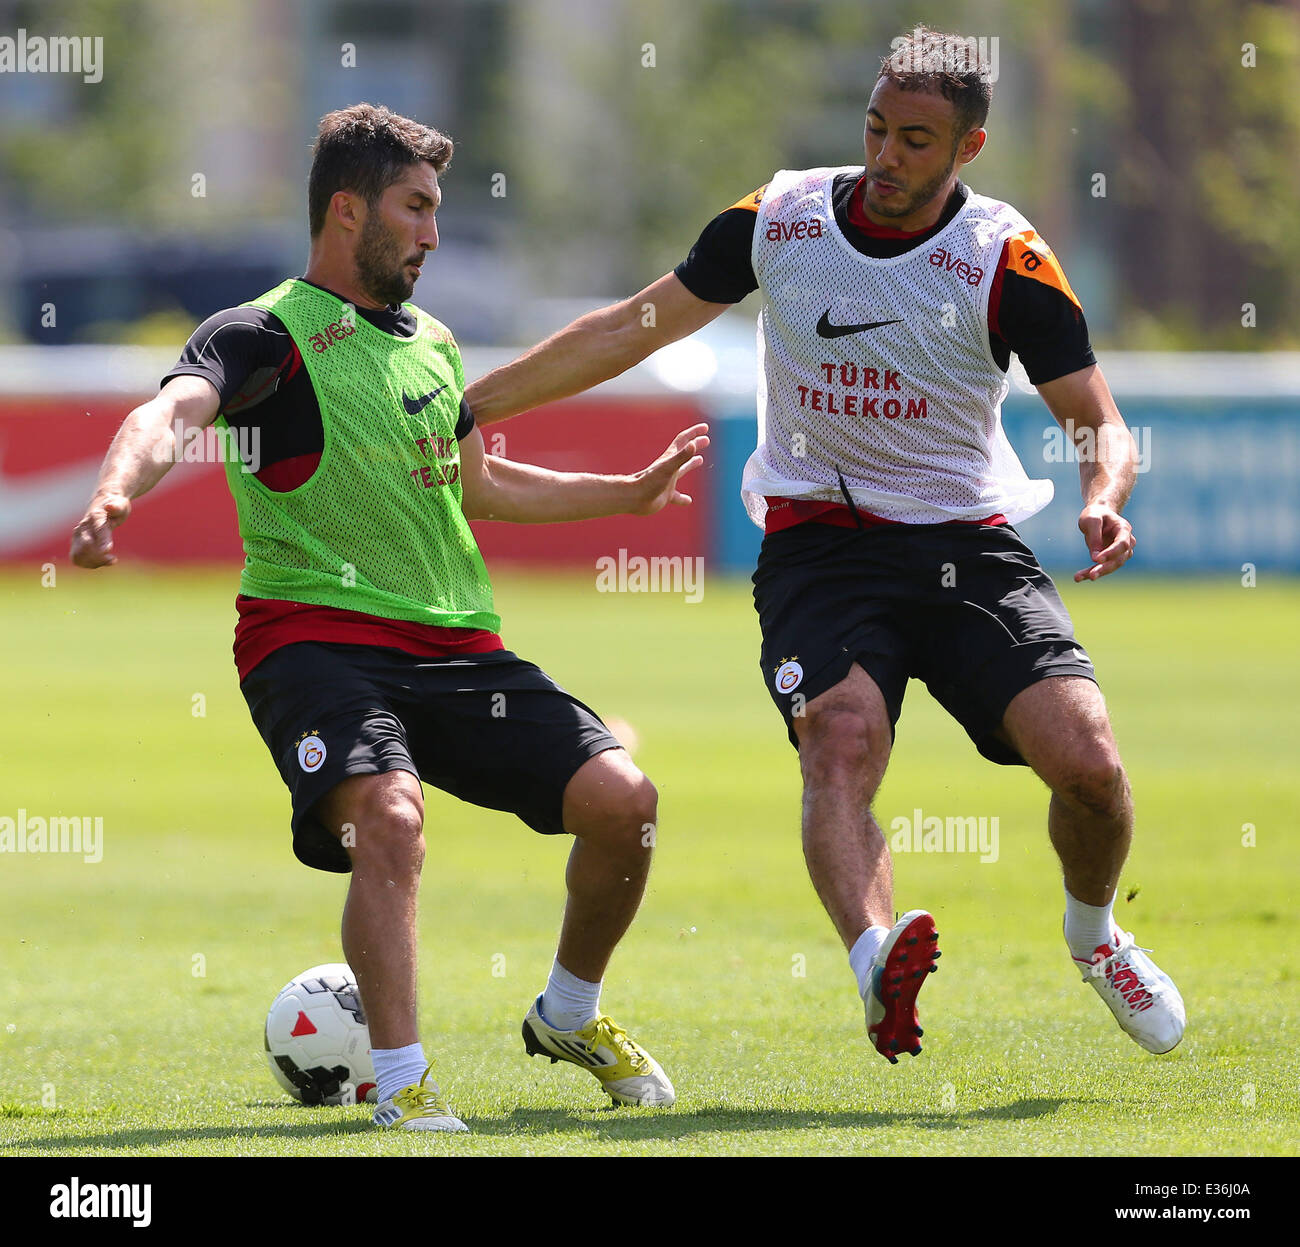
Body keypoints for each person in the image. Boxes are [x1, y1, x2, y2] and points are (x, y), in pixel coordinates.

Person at [464, 28, 1184, 1064]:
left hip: (964, 546)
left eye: (917, 141)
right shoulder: (783, 219)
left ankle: (1094, 934)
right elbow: (634, 324)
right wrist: (472, 403)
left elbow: (1095, 414)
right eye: (878, 129)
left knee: (1090, 767)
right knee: (838, 742)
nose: (888, 157)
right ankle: (875, 962)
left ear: (967, 150)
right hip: (822, 548)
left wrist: (1104, 493)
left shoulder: (1004, 258)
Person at [70, 103, 707, 1131]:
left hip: (457, 646)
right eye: (414, 207)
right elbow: (168, 412)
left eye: (436, 209)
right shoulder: (261, 334)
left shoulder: (436, 345)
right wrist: (115, 493)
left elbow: (477, 487)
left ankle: (569, 1012)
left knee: (623, 800)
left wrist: (621, 493)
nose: (432, 233)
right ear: (346, 210)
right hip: (312, 639)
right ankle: (402, 1080)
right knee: (391, 817)